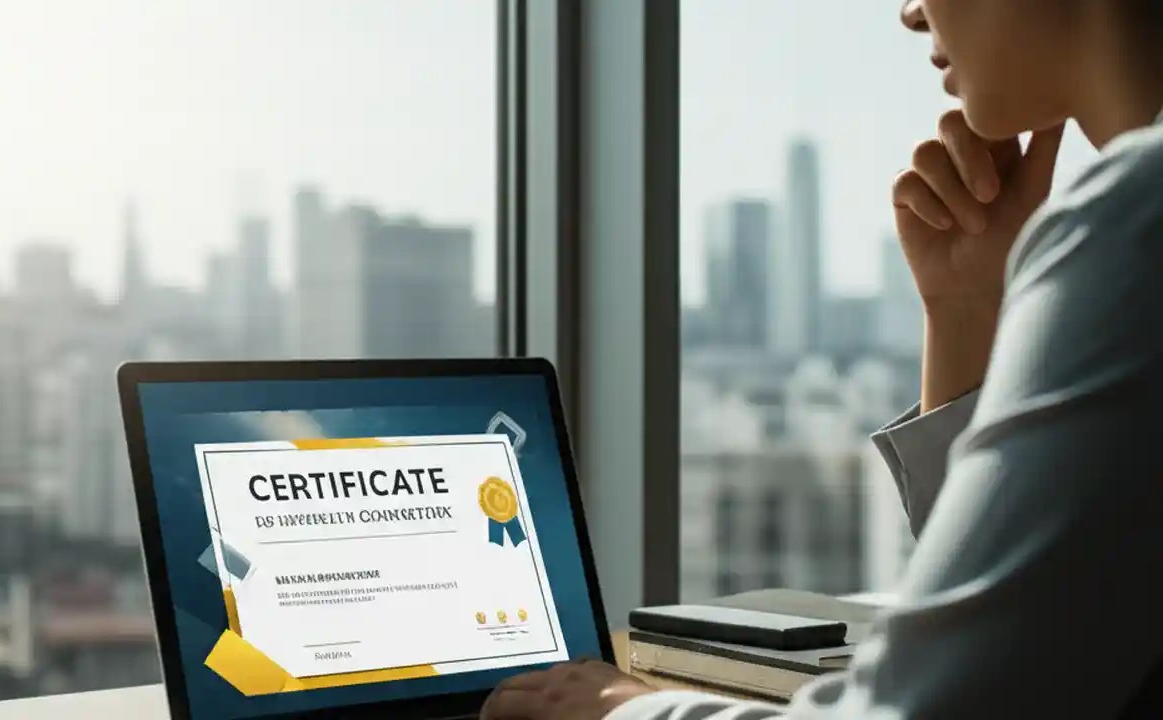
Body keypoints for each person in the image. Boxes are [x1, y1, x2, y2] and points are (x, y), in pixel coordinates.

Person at [480, 0, 1163, 717]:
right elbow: (1006, 625)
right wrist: (965, 309)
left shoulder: (1135, 222)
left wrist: (618, 709)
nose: (910, 12)